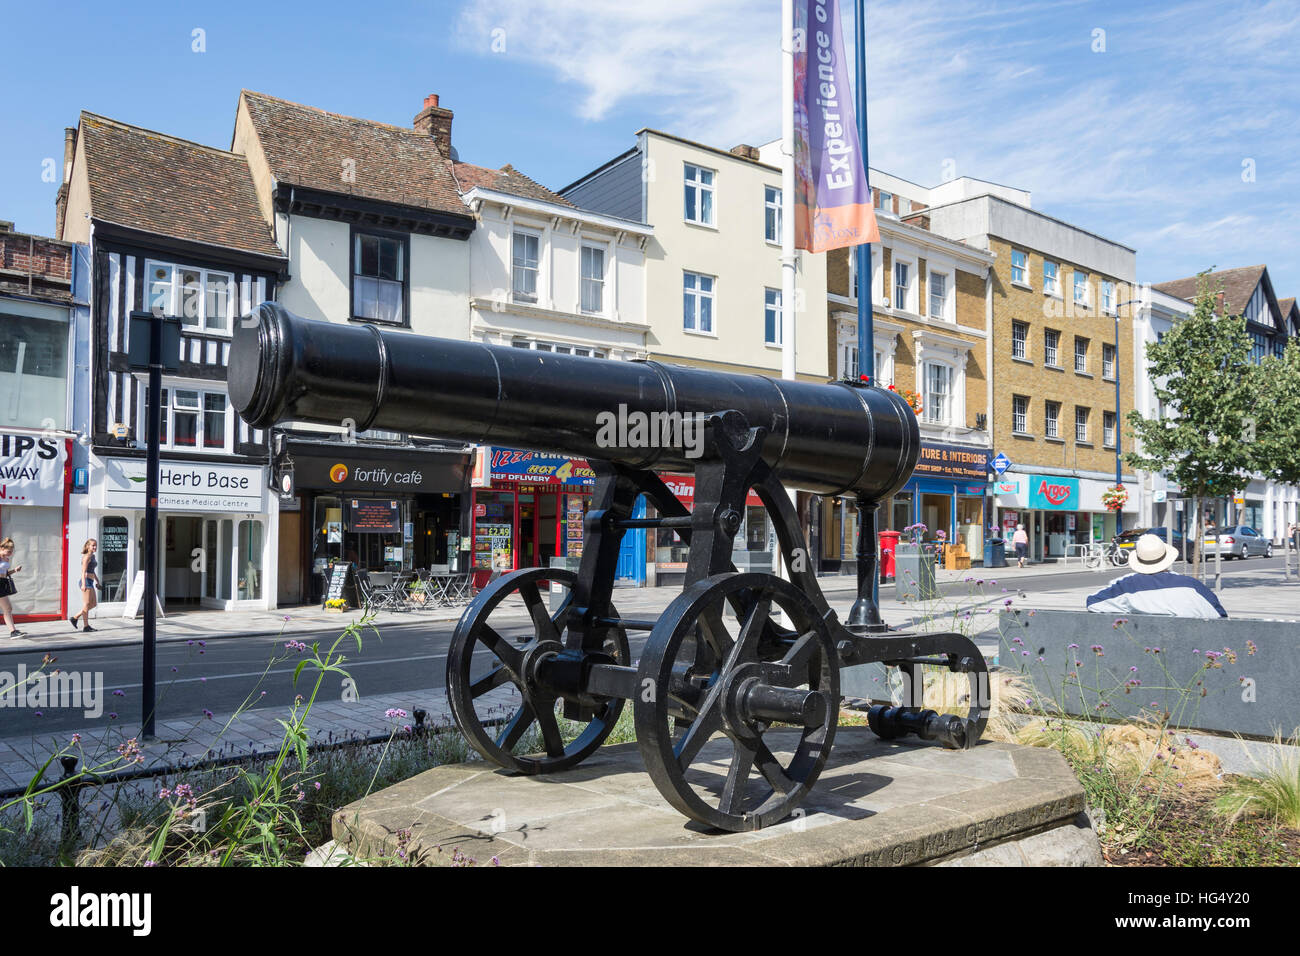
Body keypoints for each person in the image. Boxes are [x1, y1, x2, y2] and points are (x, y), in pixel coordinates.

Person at [1086, 533, 1227, 619]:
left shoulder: (1126, 585)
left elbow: (1093, 603)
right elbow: (1220, 615)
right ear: (1167, 558)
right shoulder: (1191, 585)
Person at [71, 538, 99, 632]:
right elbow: (83, 572)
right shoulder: (86, 557)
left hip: (90, 581)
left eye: (96, 545)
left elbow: (92, 571)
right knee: (86, 604)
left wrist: (97, 581)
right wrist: (83, 584)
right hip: (86, 581)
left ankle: (75, 617)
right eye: (93, 545)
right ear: (88, 546)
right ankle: (86, 626)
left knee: (93, 603)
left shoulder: (93, 556)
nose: (95, 547)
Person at [0, 538, 24, 638]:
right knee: (7, 608)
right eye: (8, 551)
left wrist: (14, 570)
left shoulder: (6, 559)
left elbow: (4, 574)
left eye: (12, 551)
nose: (10, 553)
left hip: (2, 583)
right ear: (1, 548)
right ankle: (13, 632)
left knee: (8, 608)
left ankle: (13, 631)